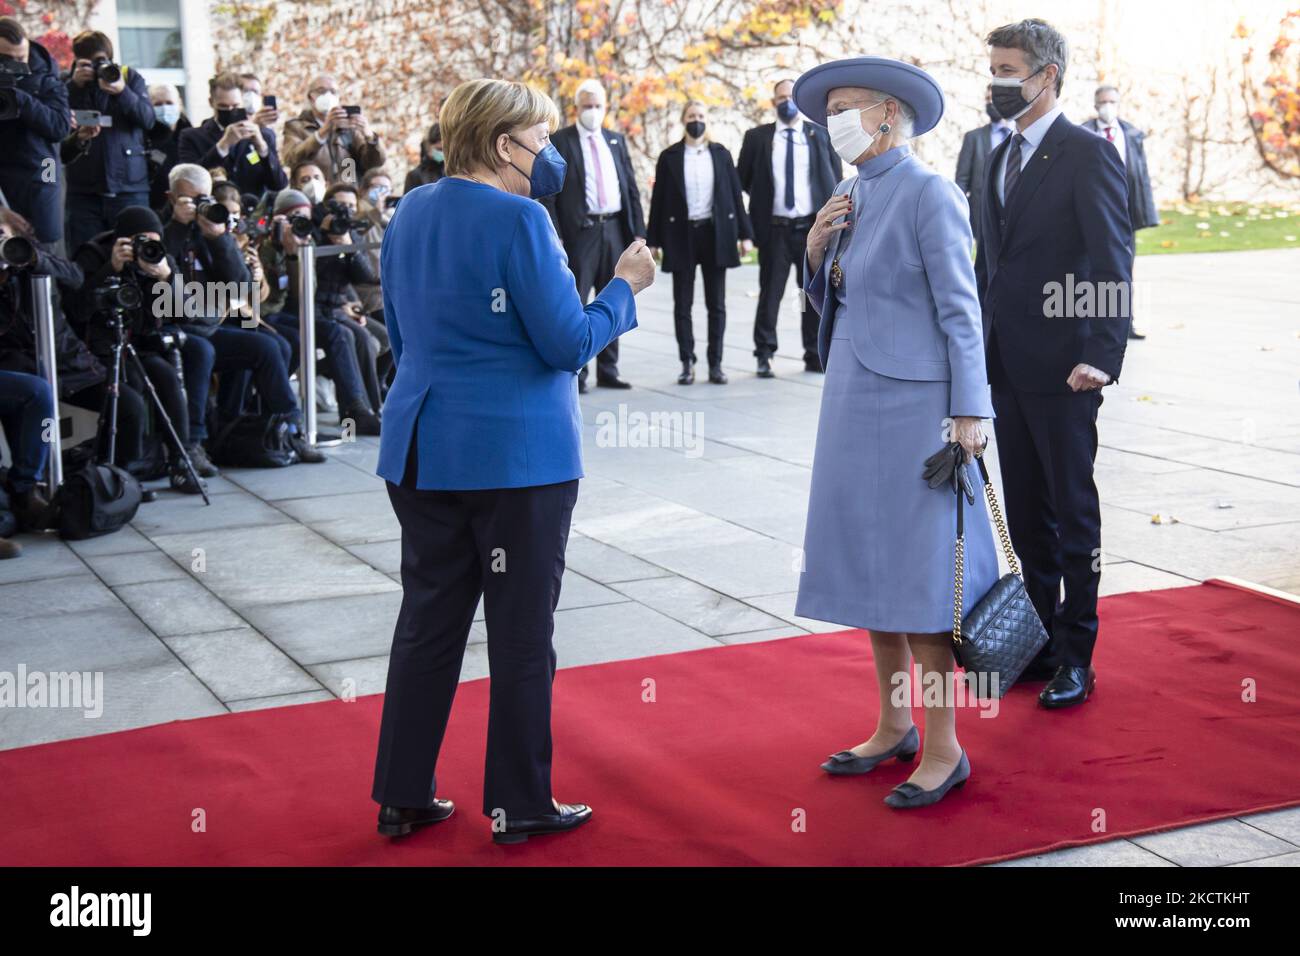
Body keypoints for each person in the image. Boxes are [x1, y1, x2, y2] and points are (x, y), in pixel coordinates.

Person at [369, 77, 653, 844]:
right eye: (540, 138)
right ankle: (520, 803)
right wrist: (623, 290)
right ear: (503, 144)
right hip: (516, 458)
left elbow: (399, 332)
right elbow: (566, 345)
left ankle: (403, 793)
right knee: (523, 632)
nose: (550, 152)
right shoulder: (522, 219)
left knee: (428, 623)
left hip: (423, 447)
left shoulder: (412, 208)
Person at [792, 56, 998, 809]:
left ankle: (944, 748)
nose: (834, 120)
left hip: (919, 411)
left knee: (919, 584)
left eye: (847, 107)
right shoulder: (847, 191)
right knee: (870, 570)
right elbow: (832, 304)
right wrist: (813, 255)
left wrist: (970, 412)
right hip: (852, 401)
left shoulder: (929, 192)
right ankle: (892, 725)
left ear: (887, 114)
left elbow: (960, 309)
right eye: (829, 109)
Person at [976, 19, 1132, 709]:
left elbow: (1110, 259)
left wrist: (1100, 355)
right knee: (1027, 511)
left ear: (1048, 78)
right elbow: (993, 261)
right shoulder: (993, 152)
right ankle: (1037, 643)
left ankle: (1078, 654)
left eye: (1009, 70)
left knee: (1072, 514)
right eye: (994, 69)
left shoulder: (1086, 153)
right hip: (1007, 364)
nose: (997, 83)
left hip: (1067, 369)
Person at [541, 79, 645, 392]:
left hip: (613, 228)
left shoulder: (615, 140)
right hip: (579, 232)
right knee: (578, 297)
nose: (593, 111)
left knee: (614, 292)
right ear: (576, 108)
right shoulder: (561, 140)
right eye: (587, 106)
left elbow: (630, 187)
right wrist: (555, 233)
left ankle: (609, 369)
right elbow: (549, 193)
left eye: (598, 105)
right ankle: (580, 372)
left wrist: (638, 233)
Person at [737, 78, 841, 376]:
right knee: (771, 291)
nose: (786, 102)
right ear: (773, 102)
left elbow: (833, 175)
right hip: (774, 229)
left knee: (808, 293)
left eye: (790, 96)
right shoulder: (757, 137)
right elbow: (742, 179)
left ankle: (812, 351)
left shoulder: (819, 134)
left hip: (811, 229)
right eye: (780, 97)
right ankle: (765, 352)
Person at [646, 101, 753, 385]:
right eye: (692, 116)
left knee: (716, 304)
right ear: (683, 120)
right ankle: (687, 363)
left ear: (708, 120)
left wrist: (745, 234)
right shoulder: (669, 156)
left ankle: (716, 364)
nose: (697, 120)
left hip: (715, 233)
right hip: (681, 234)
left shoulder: (721, 154)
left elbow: (734, 195)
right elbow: (658, 201)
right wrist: (653, 240)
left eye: (701, 116)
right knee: (683, 304)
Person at [62, 31, 156, 255]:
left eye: (100, 62)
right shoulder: (65, 83)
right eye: (88, 63)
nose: (95, 69)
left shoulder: (128, 78)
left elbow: (148, 119)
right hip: (84, 192)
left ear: (110, 58)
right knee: (87, 256)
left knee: (137, 254)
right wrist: (74, 86)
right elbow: (56, 124)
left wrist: (122, 92)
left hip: (129, 188)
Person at [1082, 84, 1157, 339]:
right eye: (1103, 102)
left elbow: (1141, 176)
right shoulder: (1083, 135)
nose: (1107, 106)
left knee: (1124, 269)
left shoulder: (1131, 135)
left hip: (1124, 216)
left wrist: (1145, 212)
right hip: (1092, 214)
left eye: (1112, 101)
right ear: (1095, 105)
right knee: (1093, 270)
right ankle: (1092, 322)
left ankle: (1125, 323)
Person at [0, 18, 70, 245]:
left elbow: (59, 127)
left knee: (45, 249)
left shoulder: (47, 79)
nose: (17, 64)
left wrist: (19, 98)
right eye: (7, 59)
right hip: (4, 180)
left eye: (21, 58)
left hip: (43, 171)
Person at [178, 72, 289, 198]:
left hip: (254, 211)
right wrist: (222, 147)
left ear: (243, 102)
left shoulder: (264, 135)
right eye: (223, 106)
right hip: (214, 211)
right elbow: (188, 180)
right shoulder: (192, 136)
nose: (230, 110)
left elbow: (278, 184)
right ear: (211, 102)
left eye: (235, 106)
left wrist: (263, 149)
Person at [281, 74, 385, 183]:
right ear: (311, 97)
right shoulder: (296, 127)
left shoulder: (350, 128)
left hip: (347, 195)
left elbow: (375, 163)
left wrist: (370, 137)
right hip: (311, 195)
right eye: (321, 91)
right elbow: (290, 159)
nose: (328, 95)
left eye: (333, 92)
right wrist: (322, 132)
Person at [954, 84, 1014, 243]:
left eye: (993, 98)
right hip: (981, 220)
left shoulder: (1021, 136)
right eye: (987, 99)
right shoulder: (973, 138)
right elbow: (961, 181)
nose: (990, 103)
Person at [145, 83, 191, 215]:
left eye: (169, 103)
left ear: (180, 104)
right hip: (156, 209)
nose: (165, 108)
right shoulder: (143, 140)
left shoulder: (191, 136)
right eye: (158, 104)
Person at [403, 122, 444, 193]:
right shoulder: (414, 176)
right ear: (427, 148)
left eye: (444, 150)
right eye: (438, 149)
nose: (442, 153)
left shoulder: (452, 173)